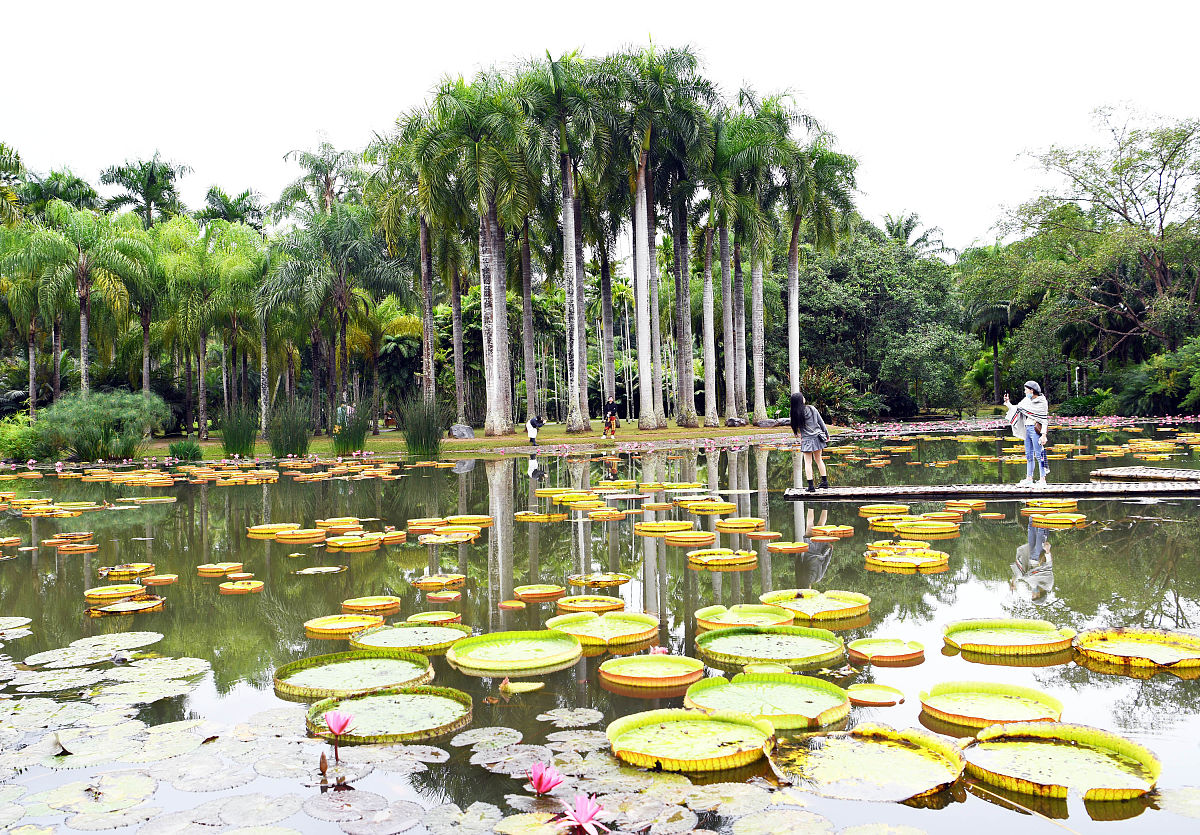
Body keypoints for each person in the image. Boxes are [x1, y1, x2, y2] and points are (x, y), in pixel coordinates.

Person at [1005, 381, 1050, 486]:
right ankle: (1029, 479)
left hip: (1035, 430)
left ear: (1031, 390)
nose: (1025, 392)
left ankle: (1042, 480)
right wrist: (1008, 403)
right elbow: (1017, 409)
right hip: (1027, 429)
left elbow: (1044, 420)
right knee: (1029, 455)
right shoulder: (1026, 400)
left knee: (1039, 455)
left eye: (1026, 389)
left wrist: (1043, 435)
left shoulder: (1042, 401)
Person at [792, 392, 830, 492]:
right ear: (801, 400)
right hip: (817, 437)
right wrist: (826, 434)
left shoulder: (795, 413)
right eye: (802, 397)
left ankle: (811, 486)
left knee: (808, 463)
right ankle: (825, 482)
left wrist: (799, 435)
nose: (804, 398)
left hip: (807, 440)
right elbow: (821, 422)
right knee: (819, 460)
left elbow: (795, 429)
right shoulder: (812, 408)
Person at [1011, 523, 1054, 602]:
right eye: (1034, 596)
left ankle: (1032, 515)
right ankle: (1042, 513)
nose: (1032, 593)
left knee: (1031, 530)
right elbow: (1048, 567)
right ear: (1039, 595)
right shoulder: (1048, 584)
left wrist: (1013, 582)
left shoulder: (1034, 585)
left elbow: (1023, 576)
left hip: (1031, 557)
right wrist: (1047, 551)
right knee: (1040, 532)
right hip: (1040, 556)